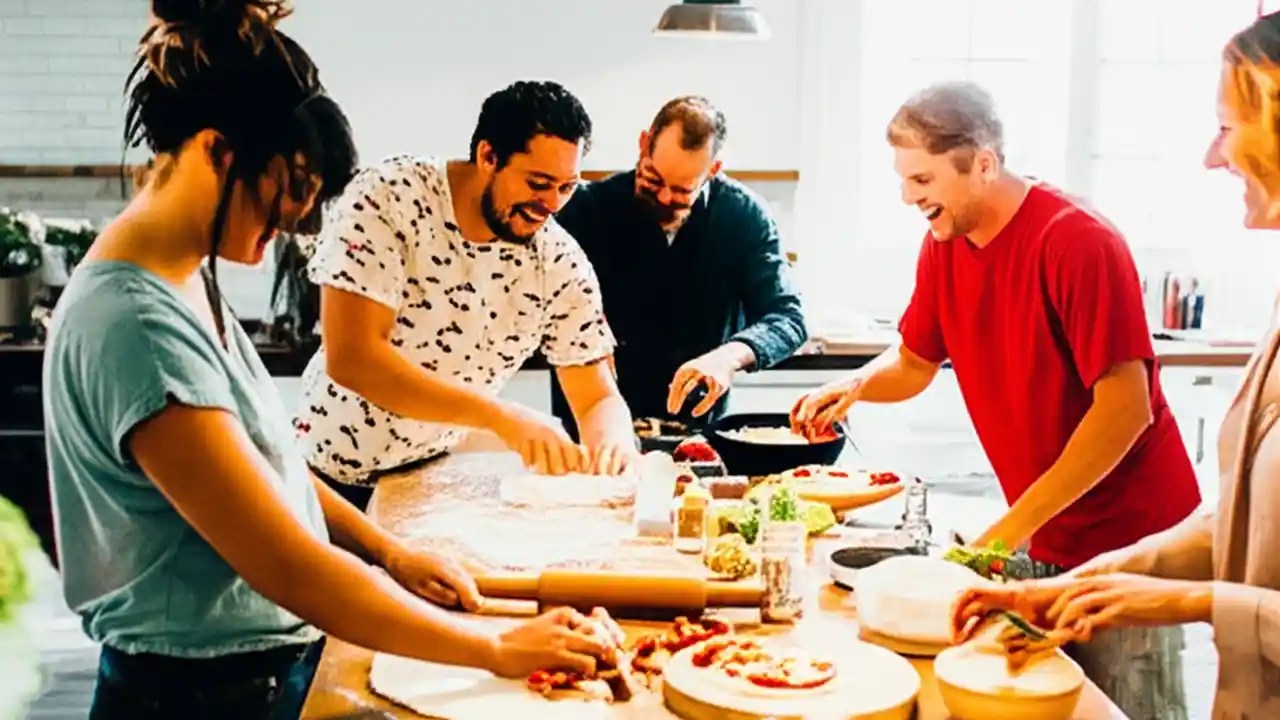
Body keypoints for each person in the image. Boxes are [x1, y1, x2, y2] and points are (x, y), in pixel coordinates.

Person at [42, 3, 613, 718]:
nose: (293, 226)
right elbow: (290, 567)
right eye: (285, 194)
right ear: (218, 152)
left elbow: (271, 472)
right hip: (195, 693)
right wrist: (494, 650)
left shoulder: (185, 284)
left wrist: (387, 551)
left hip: (252, 672)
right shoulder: (138, 323)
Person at [789, 81, 1200, 719]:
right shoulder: (945, 244)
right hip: (1035, 529)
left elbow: (1126, 409)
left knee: (1128, 711)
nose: (908, 196)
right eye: (902, 178)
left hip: (1128, 542)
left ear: (984, 162)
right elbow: (915, 360)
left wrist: (1010, 529)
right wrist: (856, 385)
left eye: (921, 178)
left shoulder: (1077, 240)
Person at [951, 13, 1280, 719]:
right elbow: (1240, 525)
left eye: (1228, 124)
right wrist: (1093, 581)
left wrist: (1183, 601)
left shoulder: (1076, 239)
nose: (1211, 157)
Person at [295, 80, 636, 509]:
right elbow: (353, 358)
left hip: (427, 481)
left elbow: (597, 397)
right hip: (327, 479)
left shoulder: (557, 262)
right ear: (488, 157)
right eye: (538, 183)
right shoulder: (391, 197)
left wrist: (614, 450)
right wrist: (501, 416)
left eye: (566, 188)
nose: (551, 204)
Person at [551, 96, 807, 436]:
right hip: (589, 428)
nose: (664, 198)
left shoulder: (744, 217)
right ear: (643, 144)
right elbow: (534, 299)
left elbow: (787, 319)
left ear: (713, 170)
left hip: (696, 432)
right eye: (653, 179)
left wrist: (728, 358)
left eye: (682, 189)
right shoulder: (586, 208)